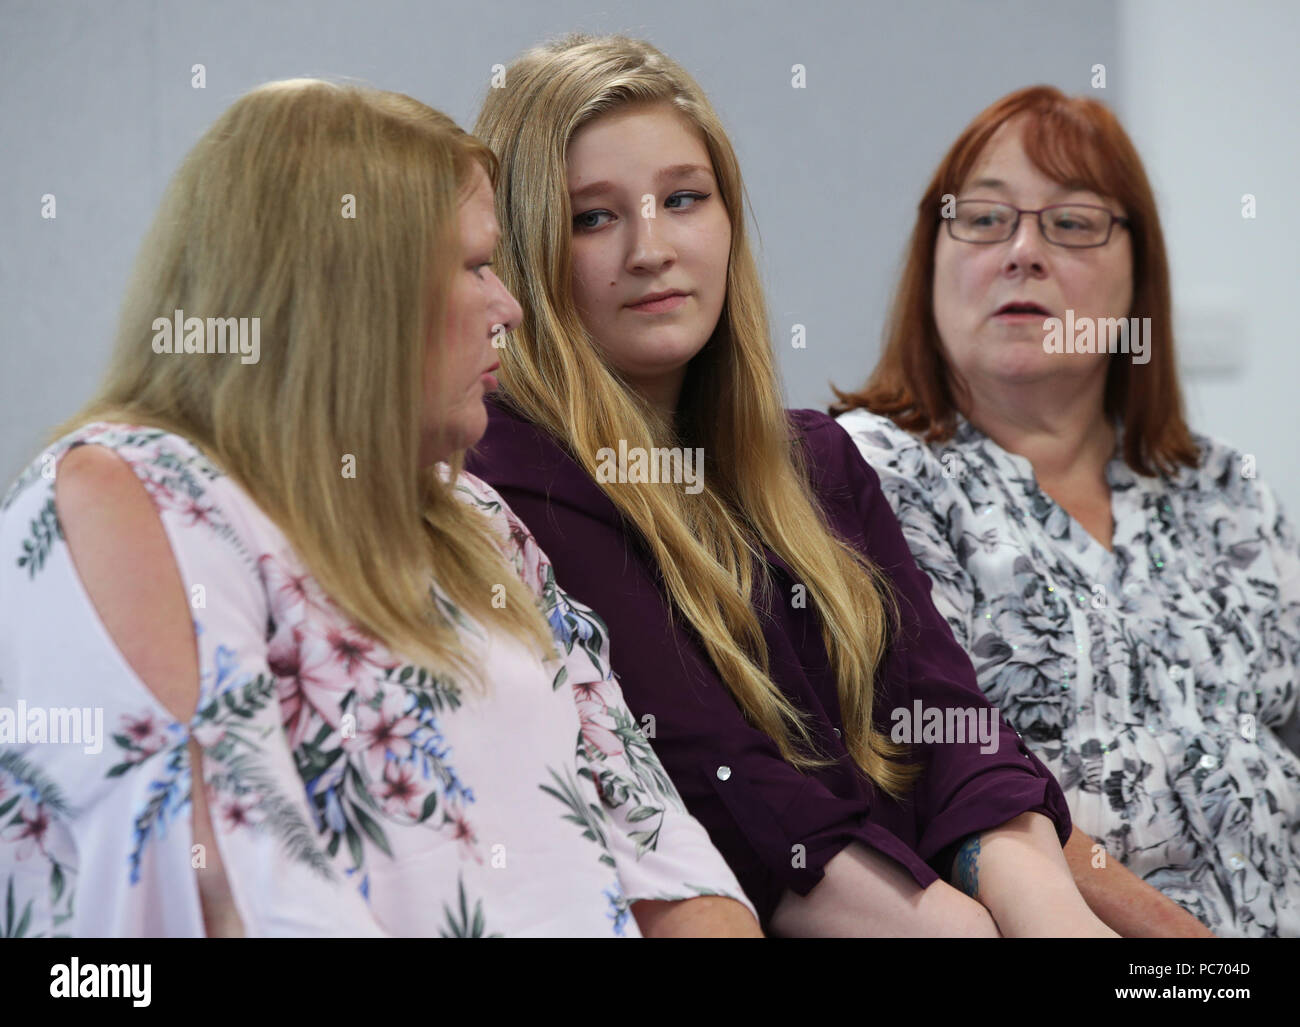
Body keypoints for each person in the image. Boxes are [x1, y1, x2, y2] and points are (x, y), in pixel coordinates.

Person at [0, 78, 761, 938]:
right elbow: (232, 901)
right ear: (352, 290)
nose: (511, 307)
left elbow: (671, 861)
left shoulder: (478, 516)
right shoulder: (127, 495)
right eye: (477, 267)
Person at [464, 33, 1115, 937]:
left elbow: (943, 721)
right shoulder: (509, 471)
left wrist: (1051, 912)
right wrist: (956, 928)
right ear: (527, 250)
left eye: (684, 199)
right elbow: (720, 780)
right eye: (594, 217)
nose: (652, 248)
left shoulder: (816, 459)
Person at [833, 85, 1300, 938]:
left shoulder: (1227, 486)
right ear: (929, 258)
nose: (1022, 252)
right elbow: (935, 779)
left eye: (1074, 223)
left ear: (1139, 271)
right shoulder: (869, 469)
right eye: (982, 219)